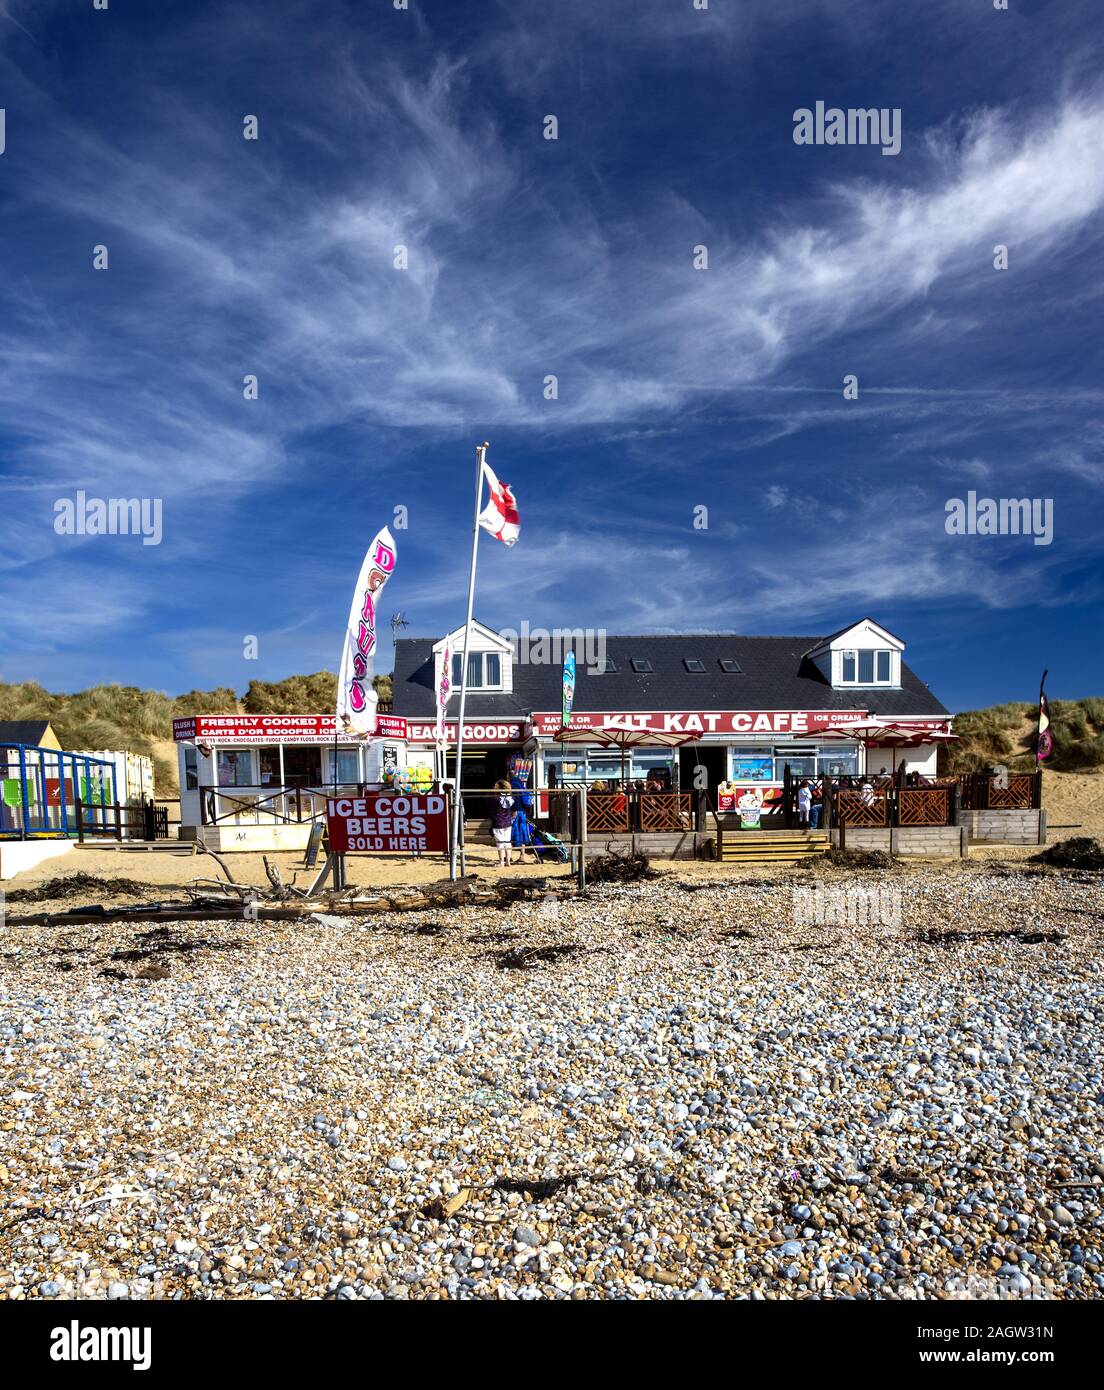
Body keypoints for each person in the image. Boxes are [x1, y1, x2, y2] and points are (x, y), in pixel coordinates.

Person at [490, 779, 516, 867]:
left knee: (500, 843)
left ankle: (501, 862)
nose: (494, 787)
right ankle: (508, 861)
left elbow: (492, 809)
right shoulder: (511, 797)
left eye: (495, 786)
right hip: (508, 822)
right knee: (507, 842)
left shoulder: (496, 799)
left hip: (498, 822)